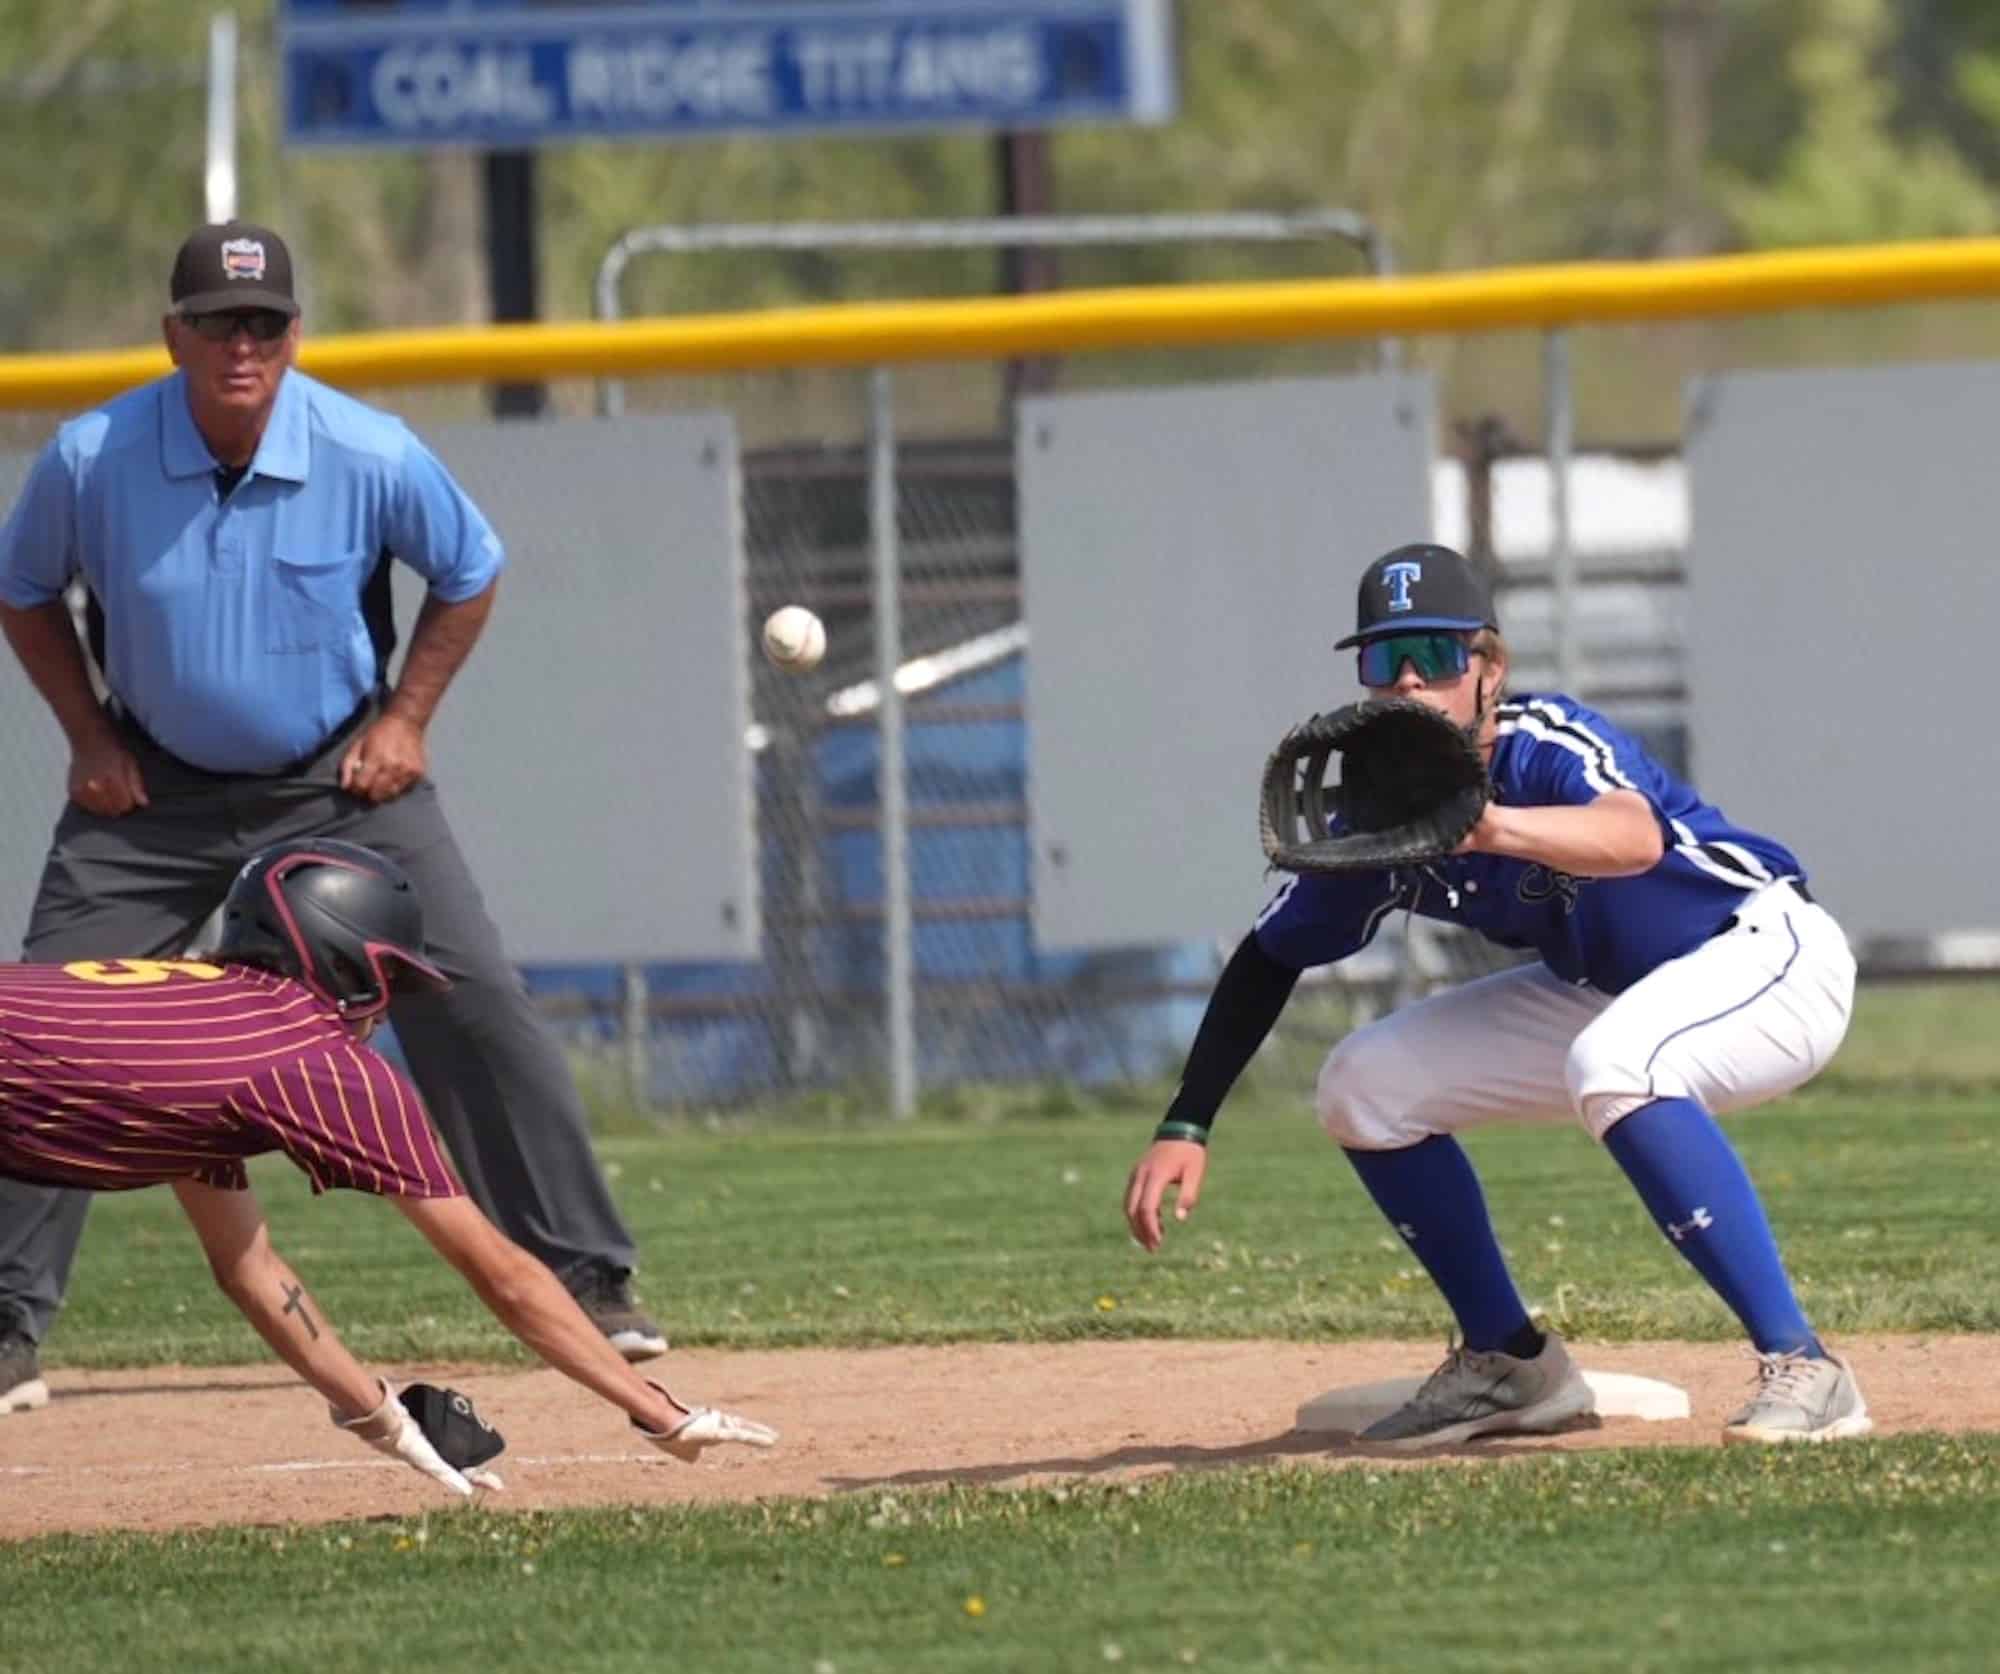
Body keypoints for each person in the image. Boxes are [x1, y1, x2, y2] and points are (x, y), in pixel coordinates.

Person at [0, 220, 663, 1421]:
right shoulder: (94, 457)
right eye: (215, 322)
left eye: (261, 322)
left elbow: (469, 569)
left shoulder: (368, 449)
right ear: (174, 337)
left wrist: (407, 717)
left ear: (294, 334)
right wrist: (88, 737)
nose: (239, 343)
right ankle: (6, 1323)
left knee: (470, 996)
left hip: (336, 779)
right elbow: (24, 588)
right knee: (44, 1024)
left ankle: (588, 1277)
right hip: (150, 788)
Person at [1123, 542, 1870, 1449]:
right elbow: (1268, 955)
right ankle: (1510, 1362)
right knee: (1363, 1085)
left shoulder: (1547, 745)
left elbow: (1632, 841)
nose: (1406, 682)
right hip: (1607, 989)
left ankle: (1808, 1366)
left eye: (1434, 656)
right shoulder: (1381, 809)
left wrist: (1487, 828)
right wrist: (1186, 1121)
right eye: (1381, 660)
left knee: (1614, 1062)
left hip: (1763, 953)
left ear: (1489, 668)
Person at [0, 839, 775, 1488]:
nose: (388, 1003)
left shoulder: (210, 1026)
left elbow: (251, 1270)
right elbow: (502, 1274)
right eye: (391, 976)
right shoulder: (314, 1058)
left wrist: (385, 1420)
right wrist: (656, 1410)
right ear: (344, 959)